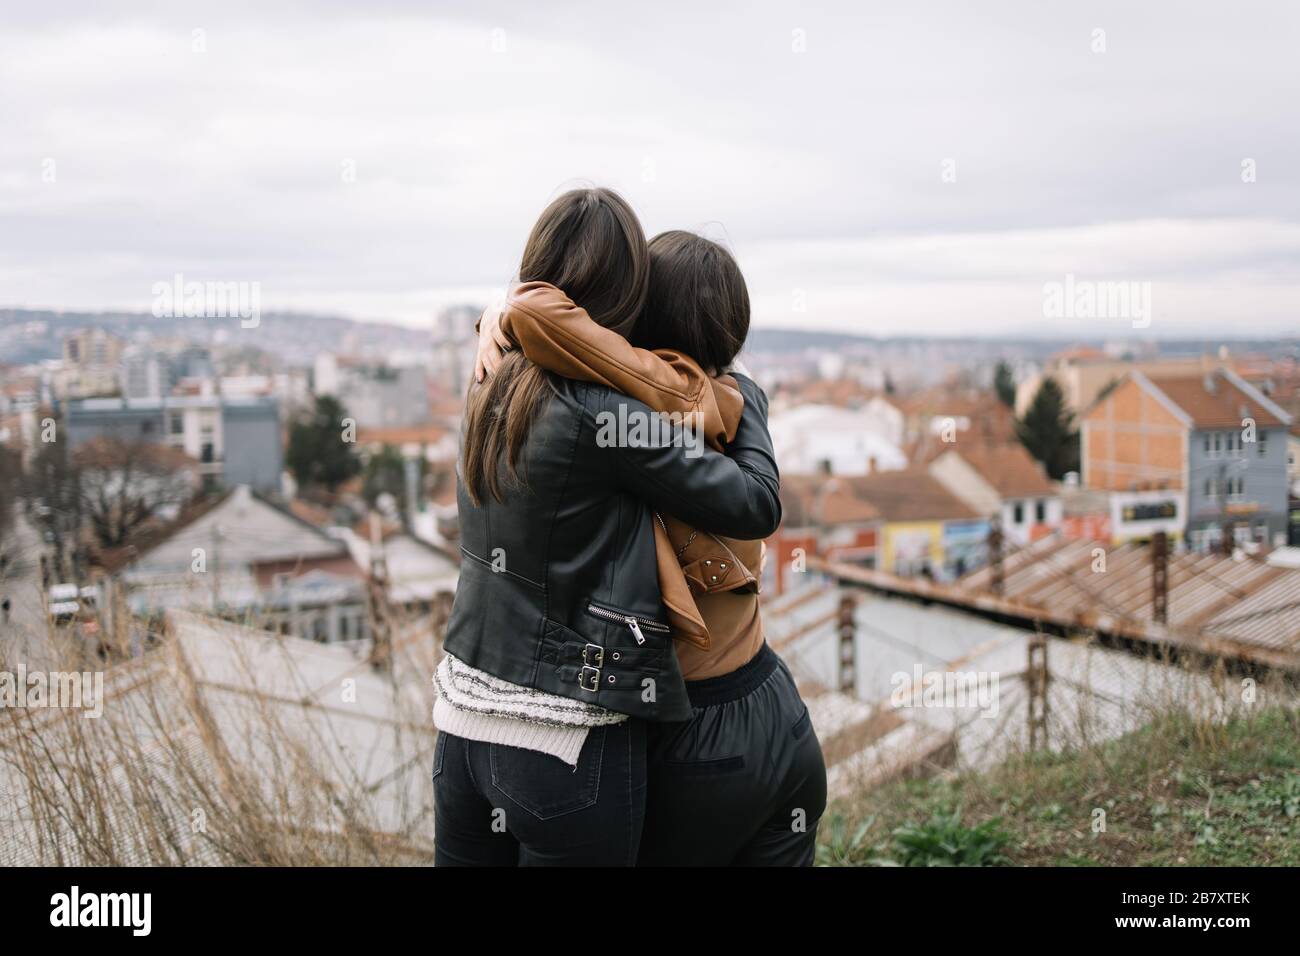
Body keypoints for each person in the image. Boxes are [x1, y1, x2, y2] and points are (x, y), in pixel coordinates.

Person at [433, 189, 782, 866]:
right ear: (628, 293)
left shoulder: (491, 375)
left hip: (461, 720)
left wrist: (500, 312)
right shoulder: (604, 415)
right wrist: (744, 393)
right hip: (565, 741)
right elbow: (753, 502)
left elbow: (542, 320)